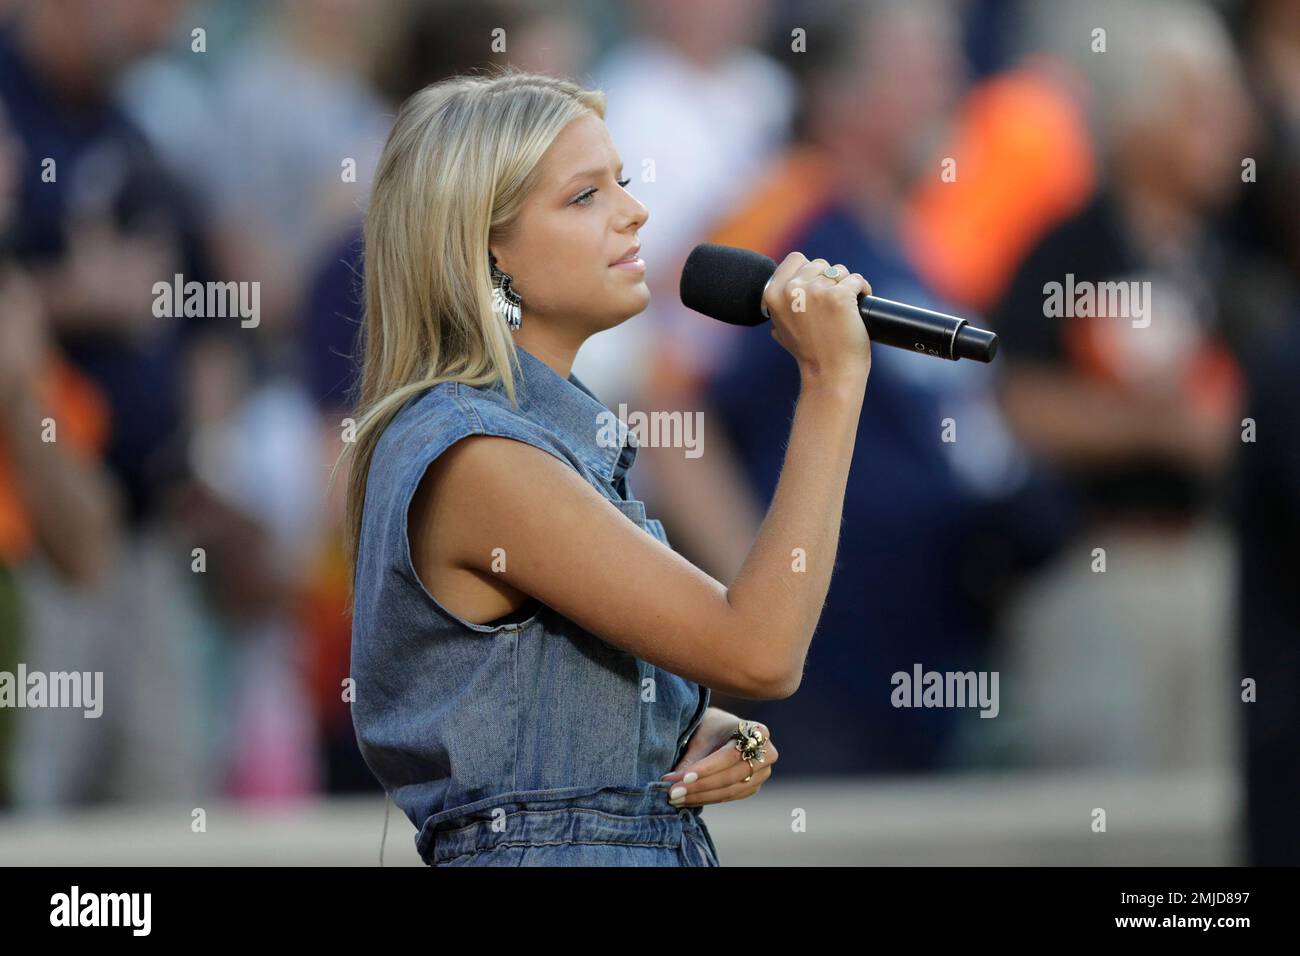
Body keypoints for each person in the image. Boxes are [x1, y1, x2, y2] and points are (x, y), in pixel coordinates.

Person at [342, 69, 873, 866]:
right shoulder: (479, 457)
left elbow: (544, 708)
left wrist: (683, 728)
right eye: (585, 196)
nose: (635, 211)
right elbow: (761, 652)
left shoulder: (543, 440)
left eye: (620, 181)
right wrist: (830, 383)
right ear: (485, 247)